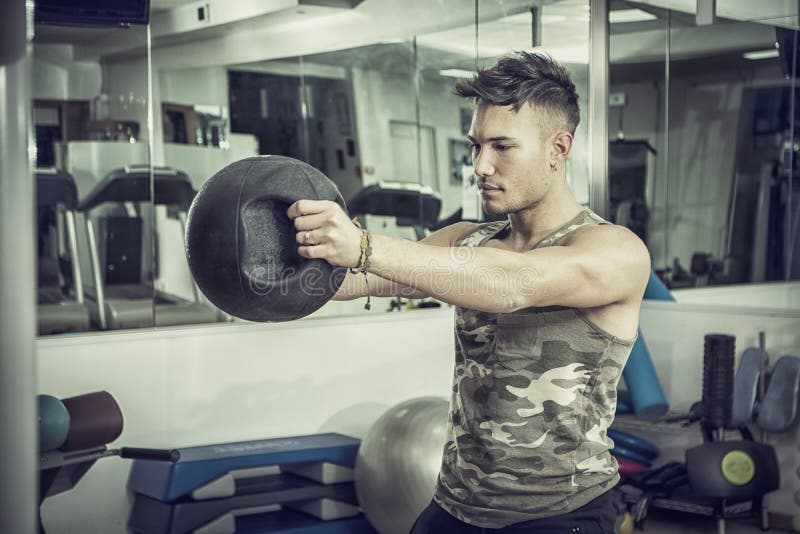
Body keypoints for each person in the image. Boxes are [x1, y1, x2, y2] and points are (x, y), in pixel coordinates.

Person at [287, 51, 651, 533]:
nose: (481, 165)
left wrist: (364, 244)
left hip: (560, 513)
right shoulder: (466, 239)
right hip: (455, 504)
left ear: (558, 148)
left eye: (502, 147)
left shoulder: (614, 251)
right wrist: (274, 257)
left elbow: (513, 283)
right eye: (476, 145)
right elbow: (352, 279)